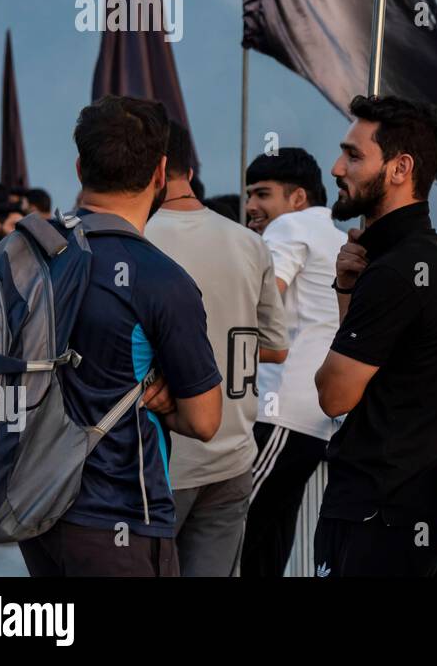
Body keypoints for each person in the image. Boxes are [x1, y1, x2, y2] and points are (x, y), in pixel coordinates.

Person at [17, 96, 223, 578]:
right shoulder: (160, 279)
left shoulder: (27, 257)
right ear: (160, 172)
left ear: (79, 166)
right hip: (121, 514)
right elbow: (206, 419)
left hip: (32, 505)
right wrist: (164, 401)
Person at [313, 95, 437, 578]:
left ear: (401, 168)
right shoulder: (435, 257)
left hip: (375, 518)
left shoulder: (399, 270)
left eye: (354, 155)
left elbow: (334, 395)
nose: (337, 167)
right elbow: (379, 369)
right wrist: (347, 288)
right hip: (405, 510)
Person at [146, 122, 290, 576]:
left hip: (161, 464)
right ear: (191, 166)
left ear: (153, 168)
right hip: (232, 456)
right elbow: (275, 347)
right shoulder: (249, 243)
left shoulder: (135, 241)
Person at [241, 148, 345, 576]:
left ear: (298, 197)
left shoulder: (290, 226)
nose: (250, 207)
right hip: (312, 416)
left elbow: (259, 297)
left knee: (228, 522)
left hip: (278, 411)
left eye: (262, 194)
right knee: (270, 533)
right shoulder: (335, 237)